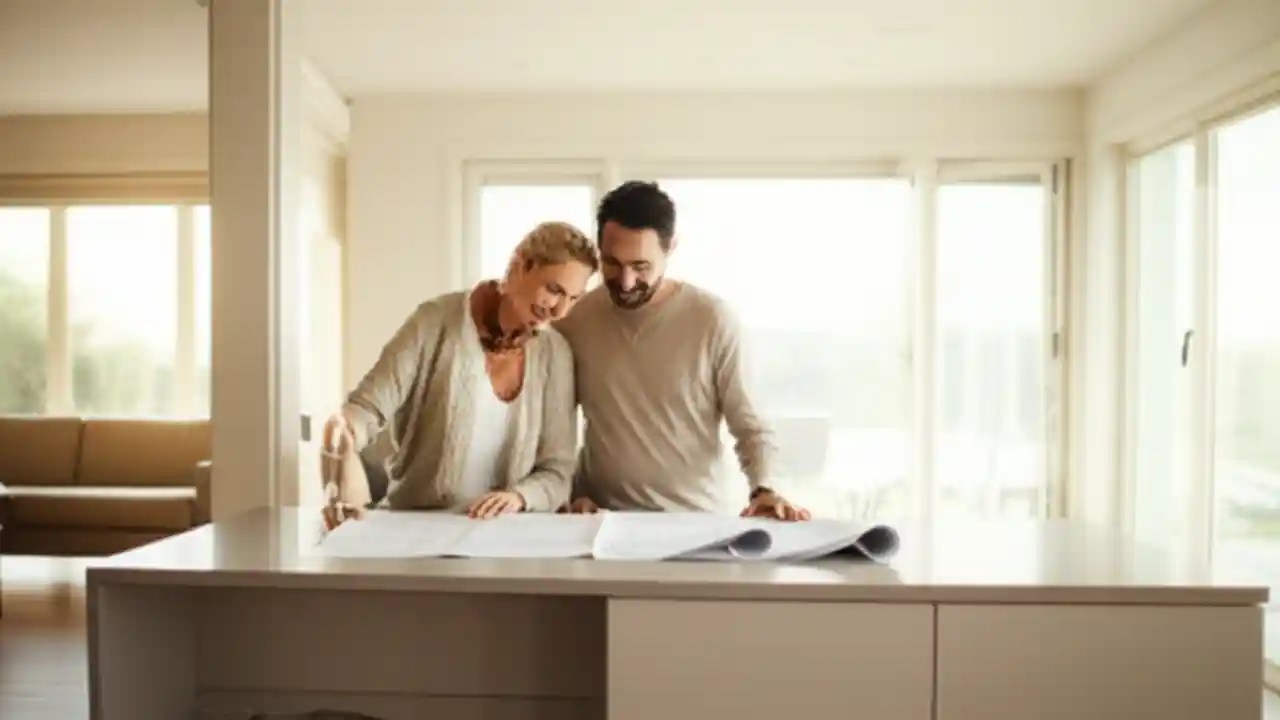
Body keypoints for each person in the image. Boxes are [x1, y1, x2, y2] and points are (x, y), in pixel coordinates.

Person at [555, 181, 810, 520]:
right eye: (612, 263)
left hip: (694, 521)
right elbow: (551, 430)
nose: (626, 281)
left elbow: (751, 426)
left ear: (670, 248)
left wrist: (765, 489)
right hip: (600, 521)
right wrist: (568, 495)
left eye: (641, 266)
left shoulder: (712, 320)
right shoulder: (575, 319)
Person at [320, 221, 598, 529]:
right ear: (521, 266)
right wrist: (342, 447)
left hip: (508, 533)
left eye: (573, 298)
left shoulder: (556, 354)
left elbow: (557, 470)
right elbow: (364, 411)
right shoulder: (433, 322)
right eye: (554, 290)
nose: (559, 310)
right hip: (418, 528)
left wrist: (519, 497)